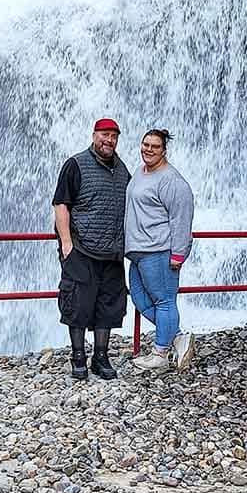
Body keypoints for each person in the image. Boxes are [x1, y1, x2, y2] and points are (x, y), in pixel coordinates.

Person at [52, 119, 130, 381]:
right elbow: (61, 204)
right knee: (77, 304)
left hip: (112, 252)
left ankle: (101, 356)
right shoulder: (75, 164)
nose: (109, 140)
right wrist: (67, 245)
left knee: (108, 305)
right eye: (105, 135)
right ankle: (77, 357)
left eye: (114, 136)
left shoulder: (122, 170)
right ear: (94, 135)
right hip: (81, 249)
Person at [125, 128, 195, 373]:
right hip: (138, 251)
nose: (149, 149)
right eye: (145, 144)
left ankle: (160, 354)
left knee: (164, 301)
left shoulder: (171, 180)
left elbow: (182, 218)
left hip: (159, 250)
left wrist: (178, 254)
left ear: (164, 150)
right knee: (140, 299)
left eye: (155, 146)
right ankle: (177, 337)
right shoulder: (140, 172)